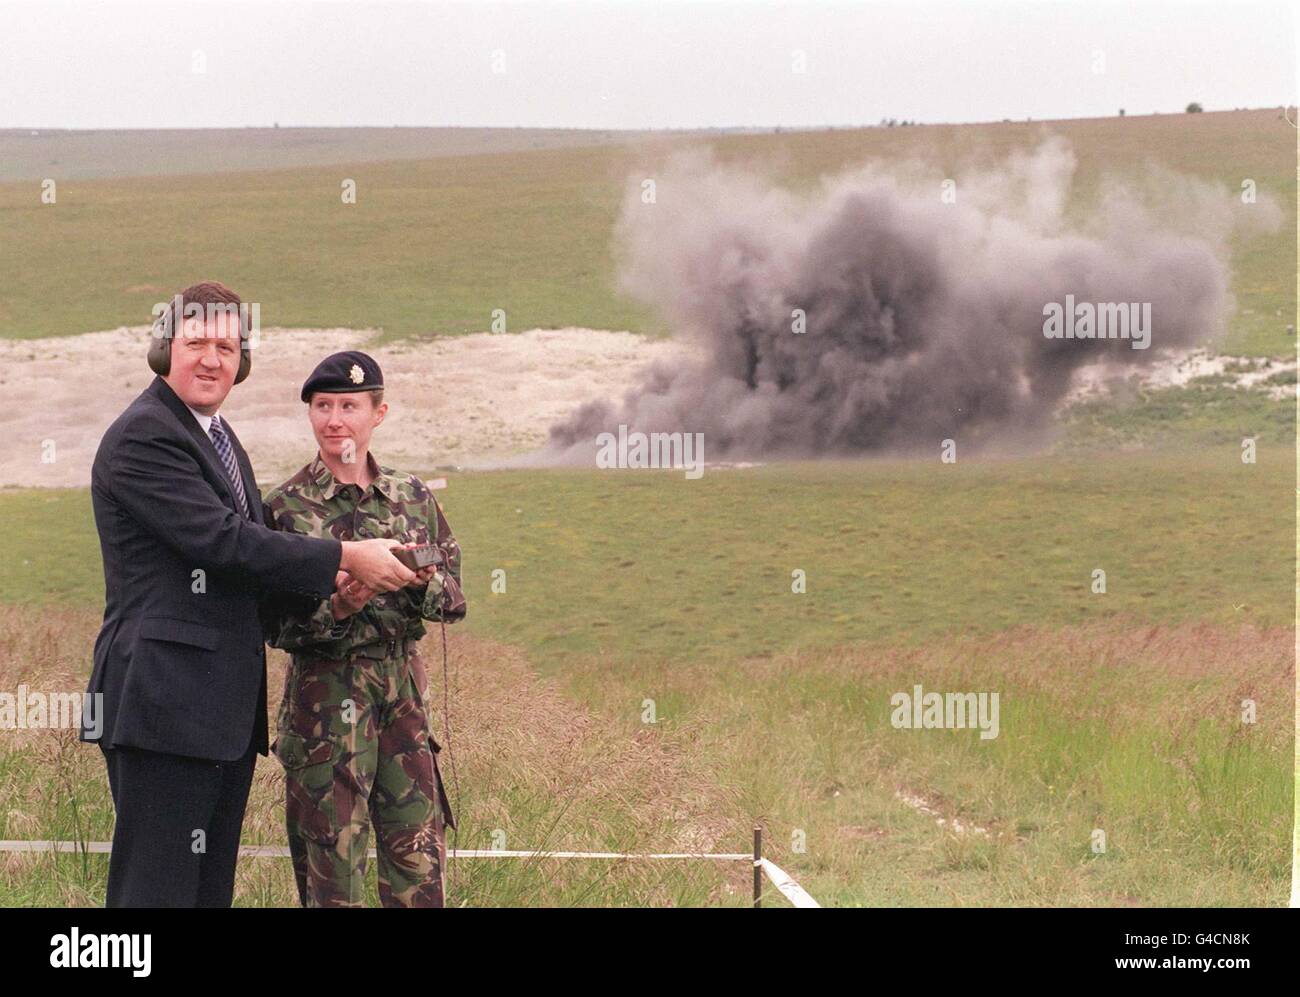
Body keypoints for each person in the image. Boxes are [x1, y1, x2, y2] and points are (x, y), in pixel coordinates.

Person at [84, 282, 418, 908]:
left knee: (206, 893)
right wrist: (346, 555)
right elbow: (223, 542)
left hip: (216, 715)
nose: (212, 358)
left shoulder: (215, 433)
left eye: (228, 346)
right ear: (165, 350)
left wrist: (334, 599)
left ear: (243, 361)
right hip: (163, 705)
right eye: (197, 343)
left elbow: (251, 559)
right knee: (154, 895)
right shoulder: (145, 436)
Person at [262, 350, 466, 908]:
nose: (334, 420)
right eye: (322, 406)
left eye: (349, 406)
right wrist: (341, 608)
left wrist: (417, 582)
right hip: (324, 697)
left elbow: (452, 602)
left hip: (402, 692)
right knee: (332, 859)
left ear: (378, 413)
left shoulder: (412, 497)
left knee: (417, 853)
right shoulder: (284, 509)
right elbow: (272, 623)